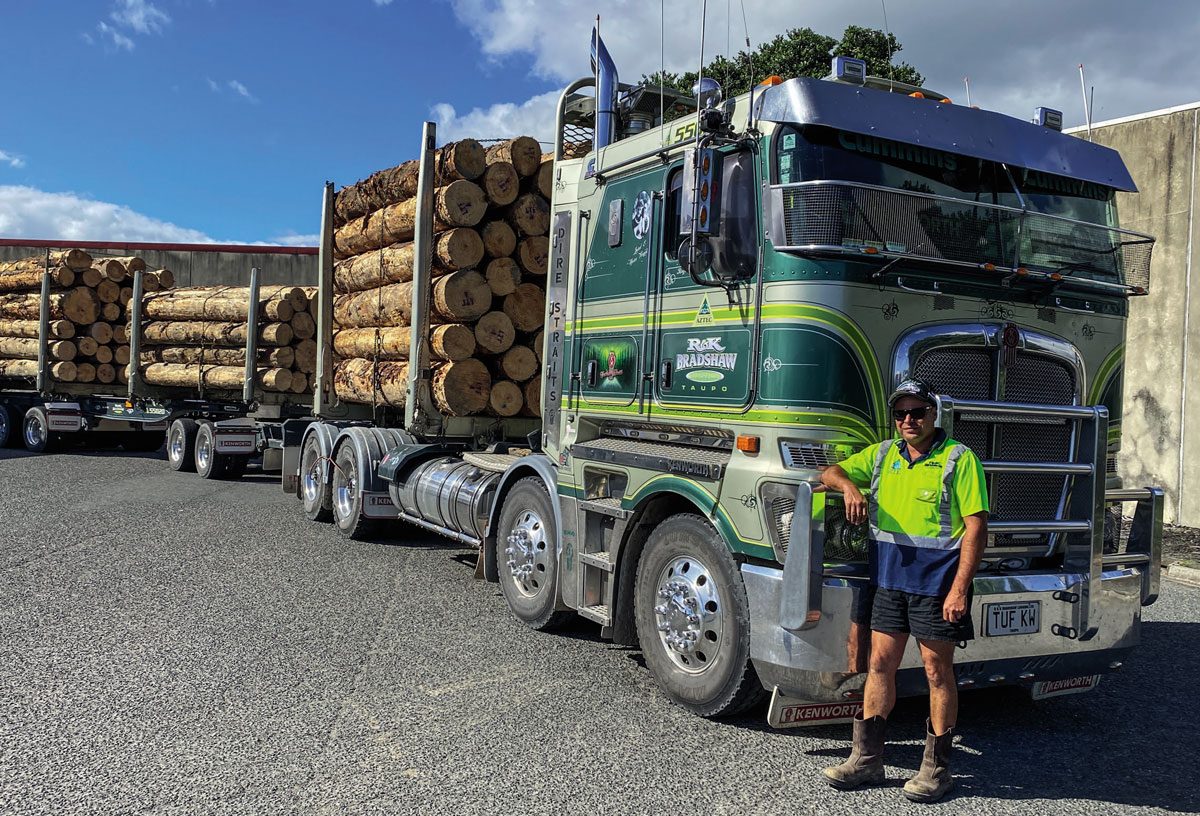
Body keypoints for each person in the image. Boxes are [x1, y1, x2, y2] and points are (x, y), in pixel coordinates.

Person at [819, 379, 989, 803]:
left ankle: (936, 770)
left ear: (935, 414)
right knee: (879, 665)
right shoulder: (881, 454)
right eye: (901, 413)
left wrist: (959, 590)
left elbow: (976, 528)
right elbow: (829, 471)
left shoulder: (958, 459)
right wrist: (849, 487)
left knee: (936, 672)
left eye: (917, 412)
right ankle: (867, 759)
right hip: (888, 582)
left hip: (935, 587)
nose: (908, 420)